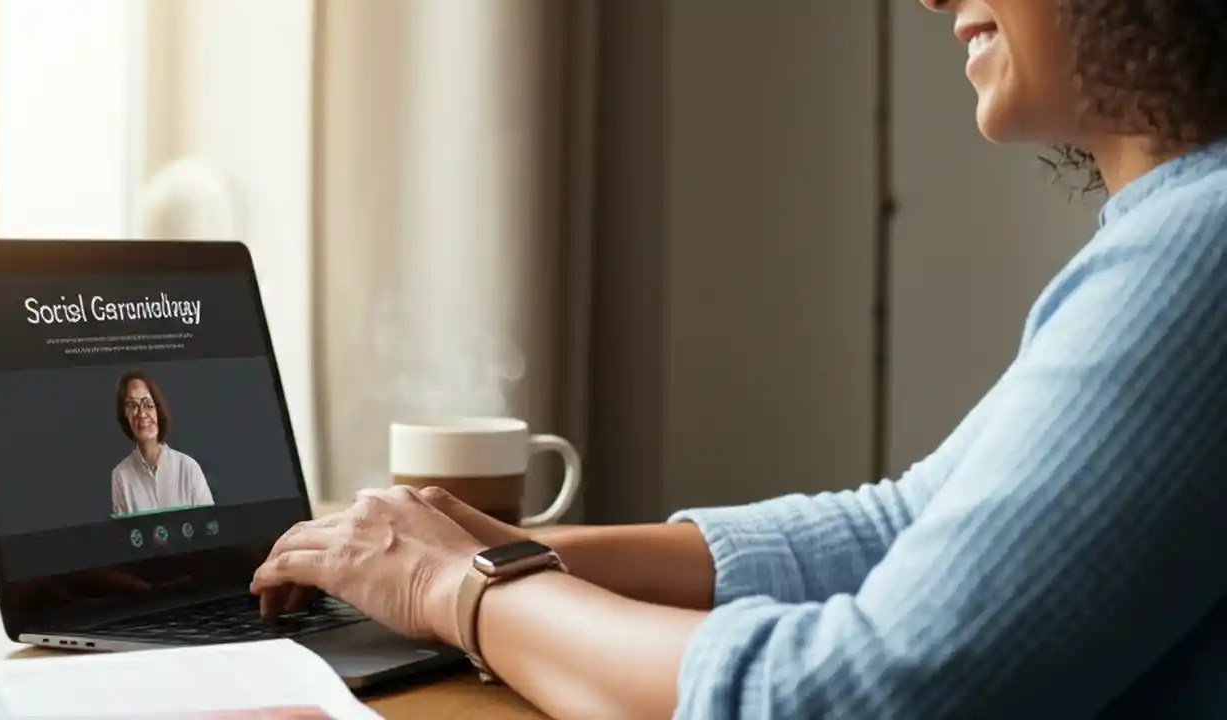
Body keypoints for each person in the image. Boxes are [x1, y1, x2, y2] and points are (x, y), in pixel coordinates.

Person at [251, 1, 1227, 717]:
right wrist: (461, 548)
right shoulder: (1169, 231)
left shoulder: (1202, 247)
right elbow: (908, 524)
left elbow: (860, 698)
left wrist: (457, 589)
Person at [111, 370, 214, 517]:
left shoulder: (188, 468)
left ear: (158, 410)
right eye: (133, 406)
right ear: (124, 416)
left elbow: (209, 527)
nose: (141, 413)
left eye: (148, 404)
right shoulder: (120, 476)